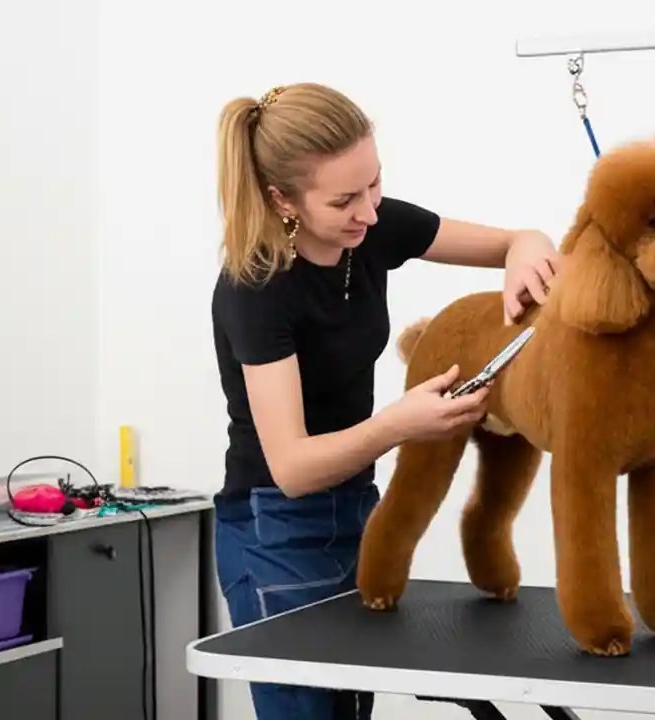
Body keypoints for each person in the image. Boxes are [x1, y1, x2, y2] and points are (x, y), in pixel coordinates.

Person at [210, 82, 561, 720]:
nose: (369, 212)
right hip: (276, 532)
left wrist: (527, 250)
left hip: (356, 512)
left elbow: (518, 239)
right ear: (280, 198)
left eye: (374, 185)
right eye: (344, 199)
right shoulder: (256, 290)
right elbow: (290, 467)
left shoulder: (370, 229)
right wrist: (400, 425)